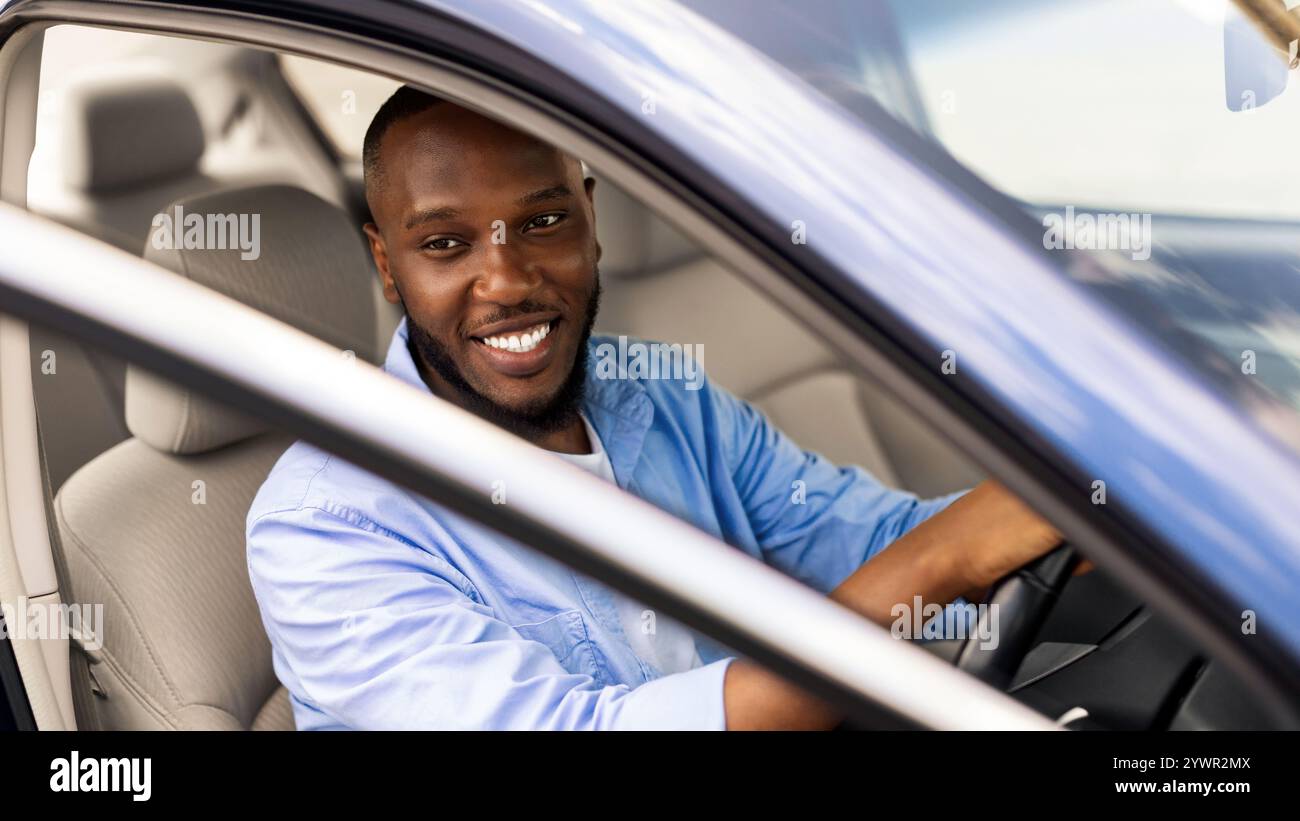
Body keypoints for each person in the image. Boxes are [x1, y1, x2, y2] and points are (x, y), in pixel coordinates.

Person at [245, 86, 1062, 730]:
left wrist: (1091, 508)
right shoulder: (327, 521)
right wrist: (941, 561)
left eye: (544, 222)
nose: (508, 280)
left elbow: (879, 540)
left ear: (591, 220)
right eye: (445, 244)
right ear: (387, 265)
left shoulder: (662, 397)